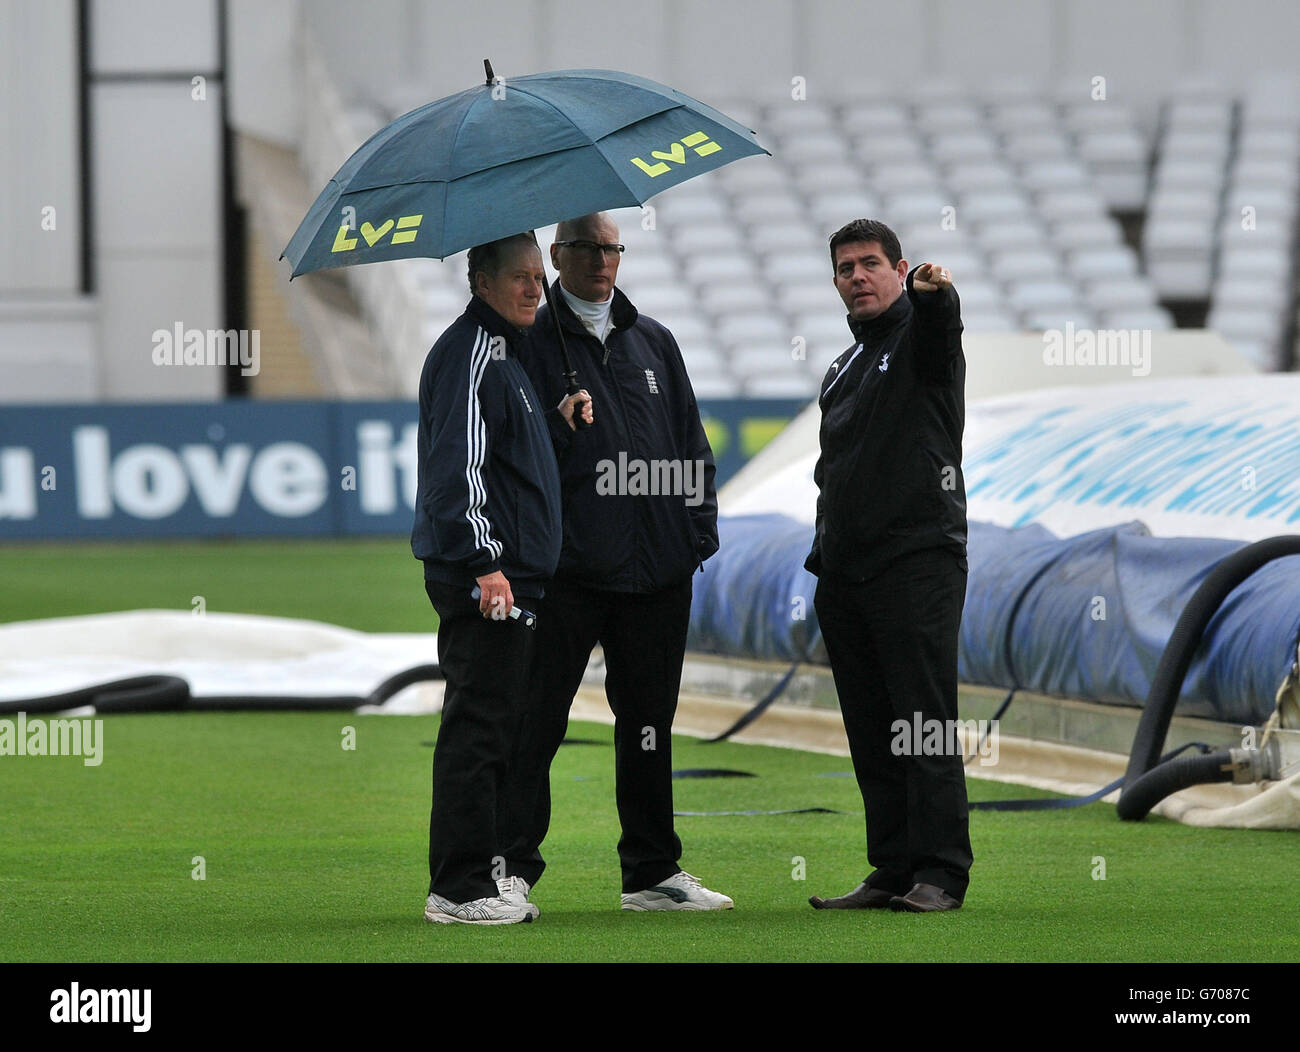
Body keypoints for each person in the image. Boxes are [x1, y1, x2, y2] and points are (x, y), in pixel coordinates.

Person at [497, 211, 732, 911]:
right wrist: (552, 421)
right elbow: (507, 449)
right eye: (586, 249)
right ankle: (508, 867)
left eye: (611, 249)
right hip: (565, 573)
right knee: (536, 724)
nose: (602, 261)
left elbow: (692, 444)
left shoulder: (653, 340)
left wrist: (697, 533)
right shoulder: (528, 342)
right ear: (556, 256)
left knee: (651, 725)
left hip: (657, 570)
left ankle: (652, 872)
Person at [412, 231, 592, 925]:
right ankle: (457, 889)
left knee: (502, 731)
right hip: (490, 579)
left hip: (514, 578)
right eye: (517, 277)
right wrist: (485, 563)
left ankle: (480, 878)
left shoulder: (507, 357)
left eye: (538, 278)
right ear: (478, 281)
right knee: (479, 729)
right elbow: (456, 472)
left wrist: (557, 422)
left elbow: (505, 458)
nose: (533, 289)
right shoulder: (472, 354)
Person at [804, 218, 973, 913]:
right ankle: (894, 867)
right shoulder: (843, 366)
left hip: (916, 563)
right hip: (847, 575)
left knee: (922, 721)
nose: (857, 277)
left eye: (870, 264)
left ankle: (940, 872)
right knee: (873, 729)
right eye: (845, 268)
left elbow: (938, 337)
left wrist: (939, 300)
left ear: (900, 269)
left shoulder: (921, 339)